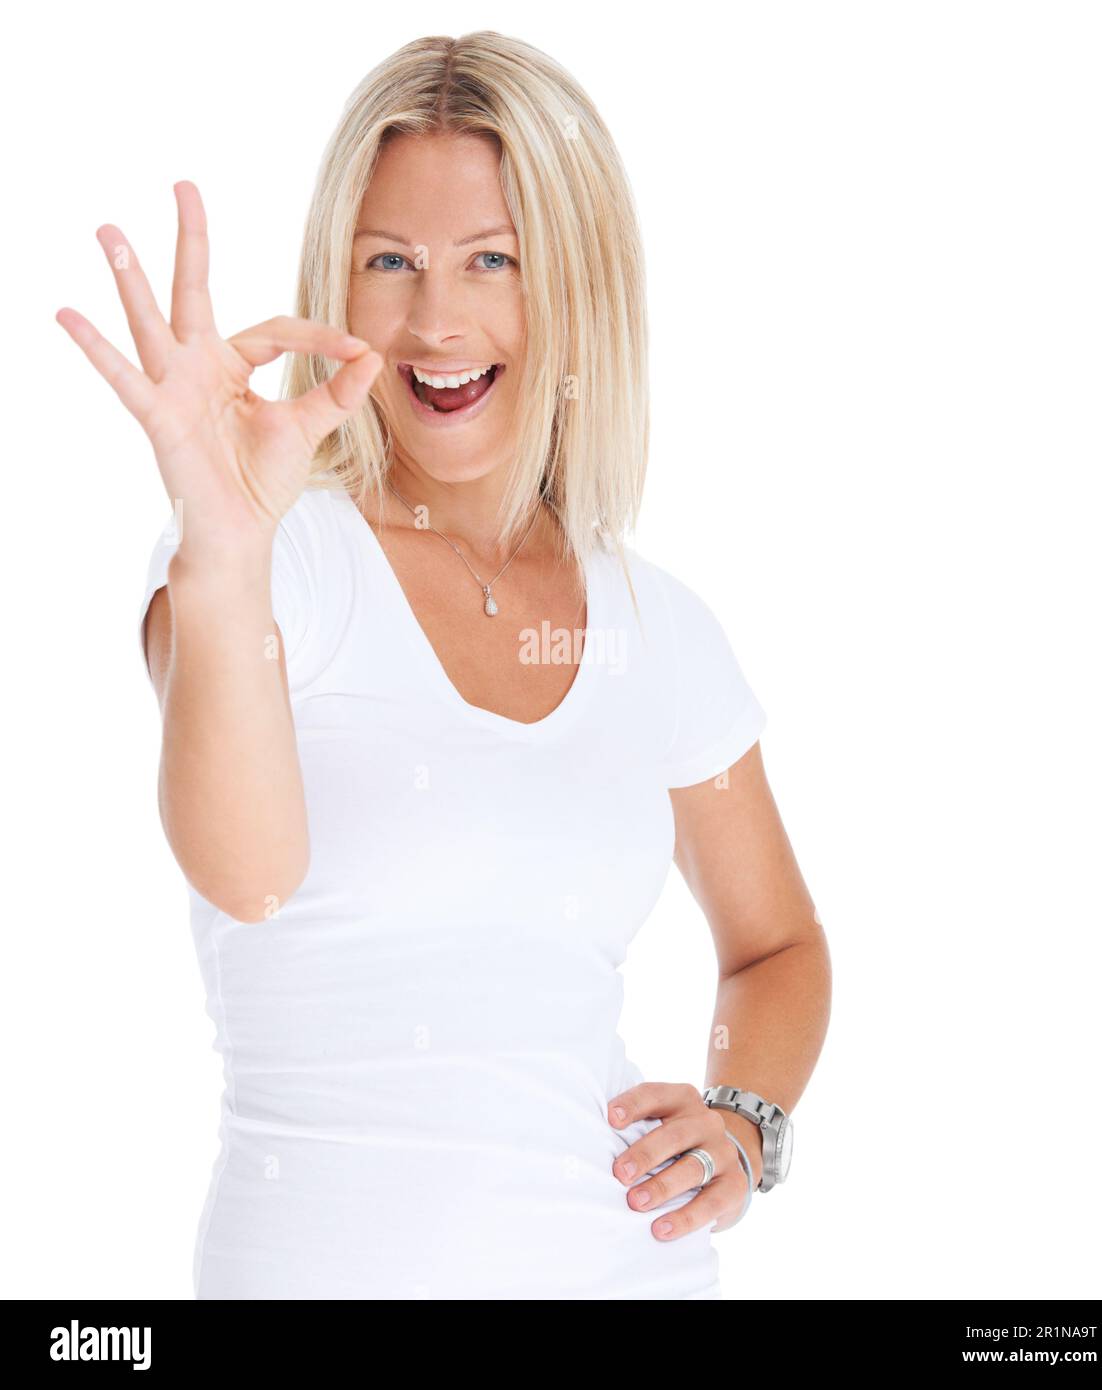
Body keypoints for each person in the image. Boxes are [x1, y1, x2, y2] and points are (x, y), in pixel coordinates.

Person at [56, 31, 831, 1301]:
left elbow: (777, 942)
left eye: (492, 262)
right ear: (336, 279)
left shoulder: (659, 623)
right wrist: (223, 548)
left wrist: (748, 1124)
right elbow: (245, 878)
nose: (434, 320)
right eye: (390, 263)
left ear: (574, 287)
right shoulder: (268, 558)